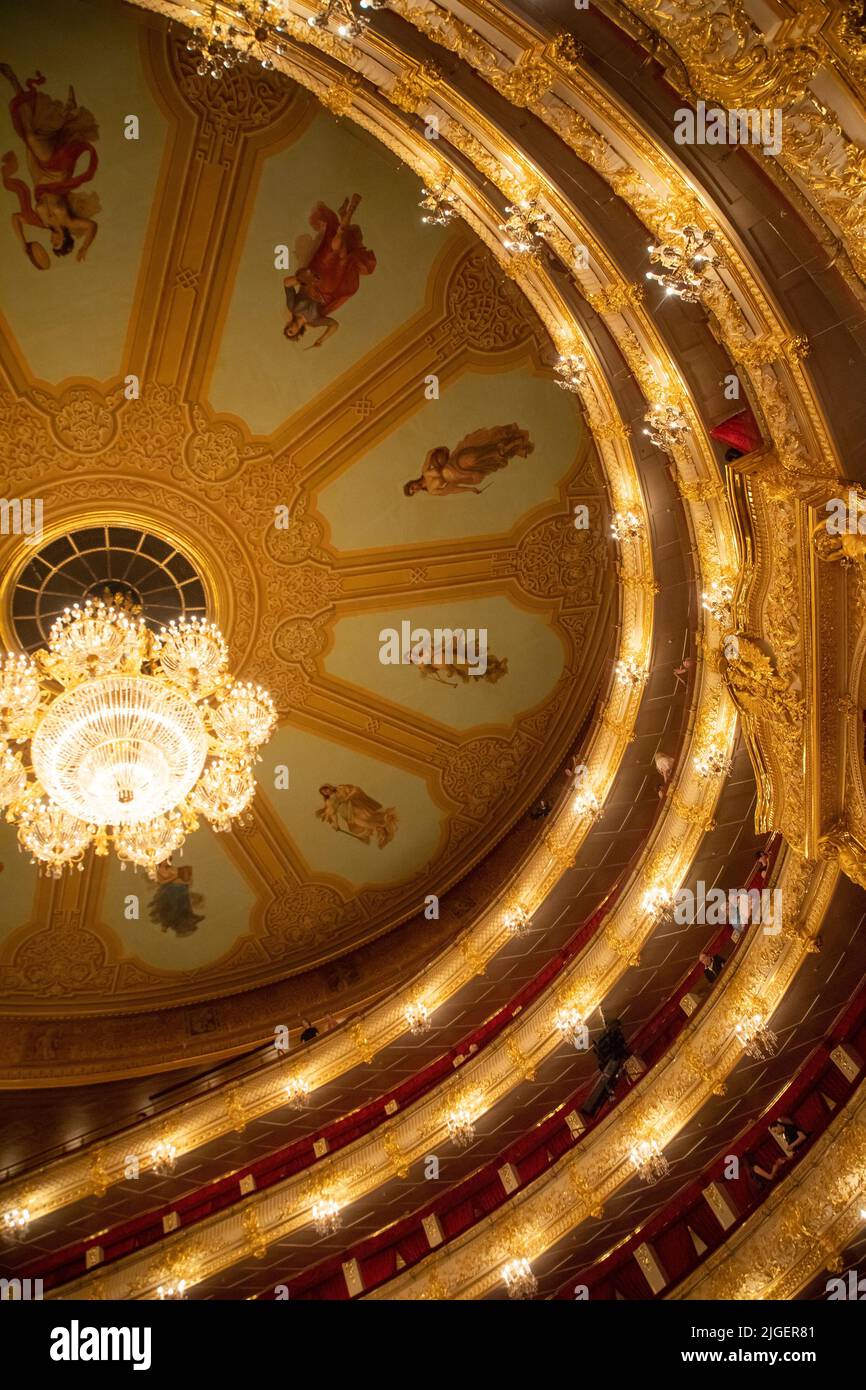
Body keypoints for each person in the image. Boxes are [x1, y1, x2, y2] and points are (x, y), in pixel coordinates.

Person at [0, 65, 100, 267]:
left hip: (37, 173)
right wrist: (85, 247)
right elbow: (91, 226)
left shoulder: (42, 223)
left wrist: (23, 244)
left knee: (28, 132)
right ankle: (65, 114)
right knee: (31, 136)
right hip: (55, 171)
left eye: (51, 245)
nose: (52, 242)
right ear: (65, 240)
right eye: (57, 244)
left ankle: (14, 81)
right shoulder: (68, 223)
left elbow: (15, 218)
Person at [282, 194, 376, 347]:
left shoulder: (292, 307)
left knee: (332, 249)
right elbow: (334, 325)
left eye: (287, 329)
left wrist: (303, 280)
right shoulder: (314, 322)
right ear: (298, 332)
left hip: (315, 276)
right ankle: (345, 215)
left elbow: (286, 283)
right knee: (343, 256)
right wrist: (321, 340)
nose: (290, 328)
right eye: (291, 332)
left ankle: (349, 213)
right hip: (328, 288)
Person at [403, 424, 533, 498]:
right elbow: (452, 490)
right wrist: (471, 490)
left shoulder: (425, 472)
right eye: (413, 492)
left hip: (453, 464)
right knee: (483, 464)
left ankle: (501, 444)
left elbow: (429, 453)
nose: (415, 489)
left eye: (412, 488)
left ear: (412, 483)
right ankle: (510, 450)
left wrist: (443, 449)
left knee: (471, 459)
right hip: (460, 477)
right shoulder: (432, 491)